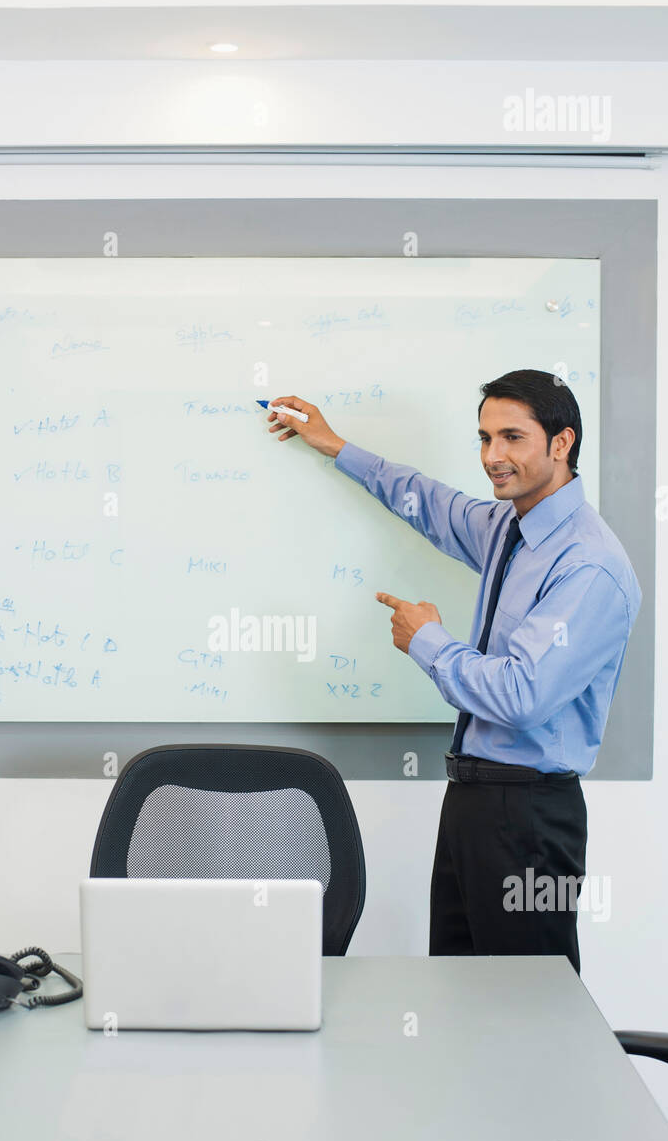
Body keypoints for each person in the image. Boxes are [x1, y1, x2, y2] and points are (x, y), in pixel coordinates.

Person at [266, 370, 641, 974]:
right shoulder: (509, 529)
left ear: (561, 442)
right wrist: (336, 445)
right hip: (474, 800)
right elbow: (429, 502)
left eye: (512, 438)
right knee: (459, 995)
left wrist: (428, 642)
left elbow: (524, 694)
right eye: (485, 438)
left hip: (529, 819)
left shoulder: (588, 565)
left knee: (529, 1004)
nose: (493, 457)